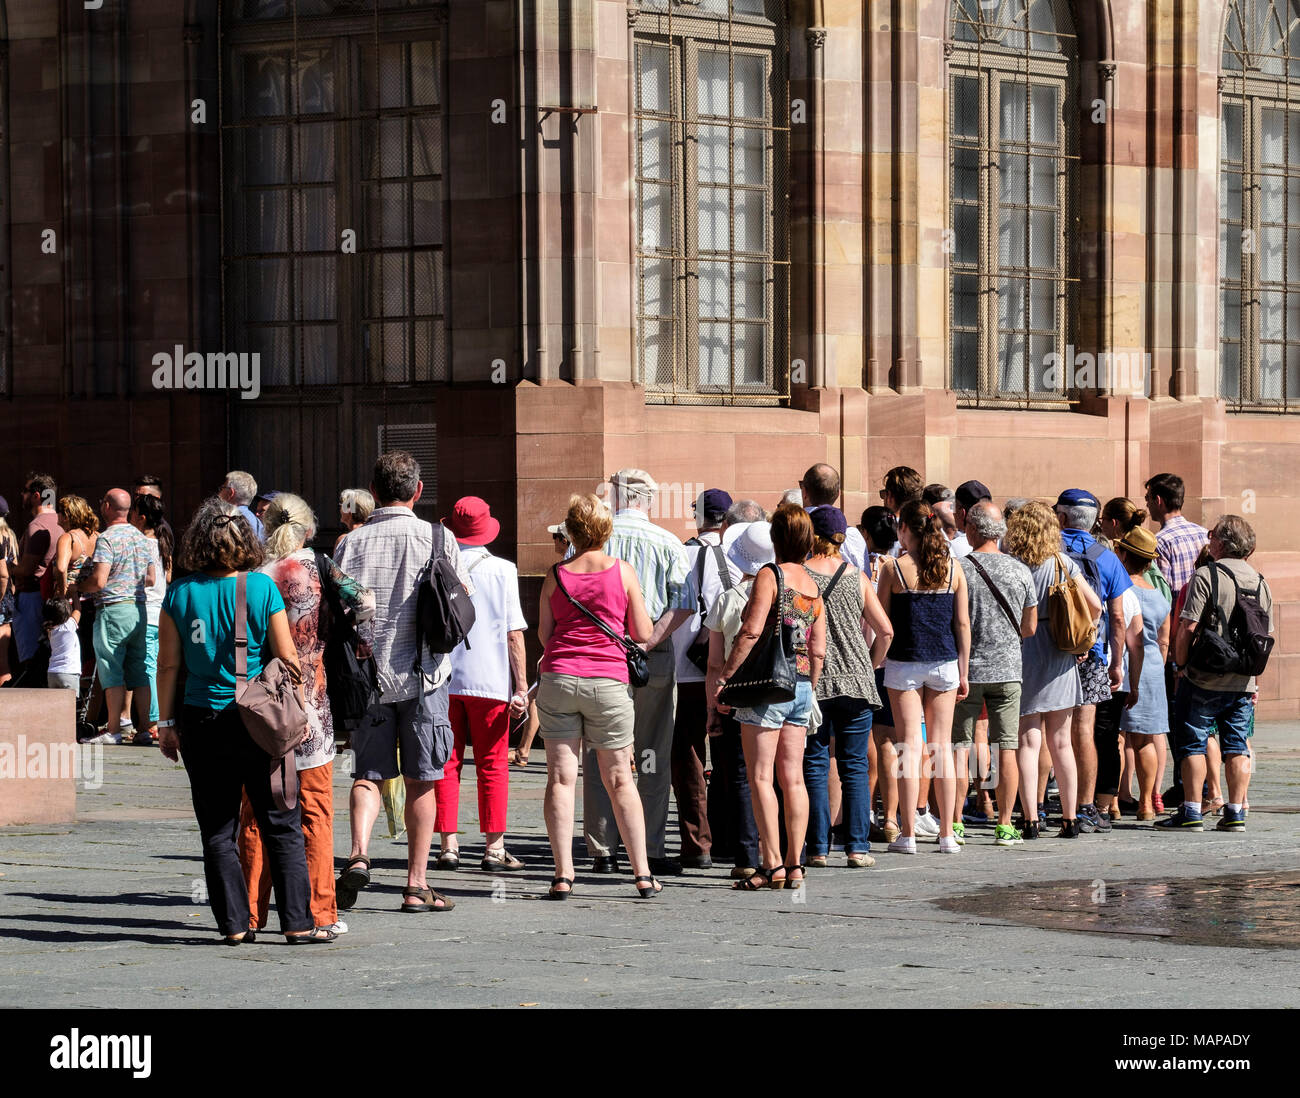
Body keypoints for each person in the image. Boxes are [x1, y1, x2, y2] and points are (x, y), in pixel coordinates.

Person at [156, 497, 332, 944]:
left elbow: (169, 666)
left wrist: (166, 722)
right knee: (281, 823)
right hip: (259, 720)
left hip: (200, 720)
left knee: (218, 829)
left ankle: (234, 926)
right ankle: (296, 922)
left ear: (199, 540)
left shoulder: (179, 592)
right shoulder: (260, 588)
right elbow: (287, 658)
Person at [332, 450, 473, 913]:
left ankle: (357, 854)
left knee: (367, 775)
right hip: (424, 677)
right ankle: (415, 884)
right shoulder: (439, 536)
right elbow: (460, 599)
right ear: (417, 491)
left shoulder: (349, 544)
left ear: (373, 493)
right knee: (423, 779)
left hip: (366, 678)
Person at [238, 493, 372, 937]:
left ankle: (250, 915)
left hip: (264, 706)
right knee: (314, 810)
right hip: (312, 704)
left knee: (257, 811)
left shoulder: (254, 576)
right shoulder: (319, 565)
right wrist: (347, 640)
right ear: (308, 527)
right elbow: (365, 603)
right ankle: (319, 914)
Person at [537, 493, 660, 899]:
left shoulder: (556, 574)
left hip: (558, 677)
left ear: (571, 531)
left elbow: (545, 634)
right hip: (607, 682)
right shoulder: (622, 572)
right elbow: (642, 633)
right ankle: (642, 874)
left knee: (560, 778)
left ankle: (563, 874)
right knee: (620, 778)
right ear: (605, 530)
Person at [583, 468, 693, 877]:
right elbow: (683, 603)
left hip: (601, 656)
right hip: (654, 656)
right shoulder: (668, 542)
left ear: (613, 496)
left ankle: (602, 848)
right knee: (650, 750)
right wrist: (647, 642)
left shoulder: (595, 541)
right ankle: (649, 847)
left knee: (600, 751)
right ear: (648, 500)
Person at [716, 503, 826, 889]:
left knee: (761, 777)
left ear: (776, 539)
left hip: (766, 688)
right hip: (798, 686)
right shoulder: (813, 583)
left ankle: (772, 864)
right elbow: (818, 649)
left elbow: (749, 631)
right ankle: (796, 865)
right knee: (793, 778)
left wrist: (726, 678)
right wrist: (809, 685)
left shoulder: (770, 574)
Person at [1161, 516, 1272, 833]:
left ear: (1221, 543)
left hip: (1203, 676)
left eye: (1212, 536)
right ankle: (1236, 812)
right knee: (1236, 745)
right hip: (1242, 679)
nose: (1208, 541)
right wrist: (1254, 681)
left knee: (1193, 743)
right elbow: (1265, 636)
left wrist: (1181, 665)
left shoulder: (1205, 575)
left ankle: (1192, 810)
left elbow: (1187, 626)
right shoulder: (1261, 582)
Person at [436, 496, 530, 872]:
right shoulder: (503, 570)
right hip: (490, 681)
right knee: (493, 764)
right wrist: (521, 686)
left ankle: (448, 845)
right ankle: (493, 848)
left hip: (444, 677)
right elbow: (513, 634)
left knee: (446, 761)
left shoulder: (438, 565)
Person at [1004, 501, 1103, 838]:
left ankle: (1030, 819)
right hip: (1060, 651)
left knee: (1027, 741)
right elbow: (1096, 606)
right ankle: (1070, 819)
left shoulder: (1012, 564)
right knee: (1062, 742)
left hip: (1023, 650)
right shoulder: (1063, 562)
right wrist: (1083, 643)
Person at [877, 500, 971, 854]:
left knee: (908, 747)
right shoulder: (952, 568)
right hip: (945, 661)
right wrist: (964, 670)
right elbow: (962, 624)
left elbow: (883, 624)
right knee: (941, 747)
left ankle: (909, 834)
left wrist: (876, 659)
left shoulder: (894, 569)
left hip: (903, 662)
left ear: (904, 529)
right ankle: (947, 833)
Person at [802, 507, 893, 867]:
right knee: (855, 764)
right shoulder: (857, 576)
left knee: (815, 762)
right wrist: (868, 666)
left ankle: (818, 847)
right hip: (856, 678)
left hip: (815, 677)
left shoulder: (804, 577)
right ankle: (857, 847)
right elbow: (885, 630)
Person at [952, 501, 1037, 846]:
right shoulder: (1020, 570)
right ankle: (1004, 824)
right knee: (1007, 749)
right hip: (1007, 670)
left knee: (959, 747)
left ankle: (954, 820)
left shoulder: (959, 568)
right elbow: (1029, 627)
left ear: (971, 530)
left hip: (967, 670)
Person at [670, 488, 741, 870]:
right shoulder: (739, 556)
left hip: (685, 669)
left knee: (687, 757)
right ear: (727, 518)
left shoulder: (682, 553)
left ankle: (697, 842)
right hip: (729, 670)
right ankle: (734, 836)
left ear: (698, 516)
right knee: (733, 757)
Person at [1054, 489, 1131, 835]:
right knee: (1084, 731)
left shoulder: (1047, 548)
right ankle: (1086, 807)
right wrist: (1116, 662)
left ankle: (1038, 807)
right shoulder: (1107, 555)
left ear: (1062, 517)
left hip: (1050, 651)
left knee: (1045, 730)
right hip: (1092, 653)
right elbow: (1117, 617)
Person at [703, 521, 771, 879]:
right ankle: (788, 852)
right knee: (782, 774)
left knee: (743, 777)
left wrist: (713, 707)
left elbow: (714, 662)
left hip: (736, 697)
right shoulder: (792, 596)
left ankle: (746, 855)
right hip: (780, 695)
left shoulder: (728, 600)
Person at [1144, 473, 1209, 808]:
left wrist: (1165, 647)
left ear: (1158, 500)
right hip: (1207, 639)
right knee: (1203, 715)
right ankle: (1206, 786)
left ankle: (1186, 786)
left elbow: (1165, 596)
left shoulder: (1162, 541)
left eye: (1148, 500)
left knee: (1179, 715)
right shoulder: (1202, 533)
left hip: (1178, 632)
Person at [78, 490, 155, 746]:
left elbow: (98, 581)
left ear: (108, 506)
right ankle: (144, 729)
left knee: (111, 669)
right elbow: (152, 578)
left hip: (113, 609)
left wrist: (77, 587)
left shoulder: (107, 538)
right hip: (139, 609)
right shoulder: (142, 538)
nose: (100, 505)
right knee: (140, 670)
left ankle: (113, 730)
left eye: (102, 501)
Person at [1114, 527, 1169, 821]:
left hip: (1124, 664)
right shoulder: (1159, 596)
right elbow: (1164, 640)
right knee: (1146, 739)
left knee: (1118, 738)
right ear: (1148, 562)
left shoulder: (1120, 590)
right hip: (1151, 670)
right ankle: (1147, 803)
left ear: (1123, 554)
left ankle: (1113, 801)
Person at [859, 505, 902, 843]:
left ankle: (866, 813)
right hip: (894, 663)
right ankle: (890, 817)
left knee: (870, 743)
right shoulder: (902, 568)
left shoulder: (863, 570)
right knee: (891, 742)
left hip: (869, 660)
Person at [10, 474, 66, 670]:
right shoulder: (61, 523)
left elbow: (26, 570)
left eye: (25, 491)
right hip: (52, 598)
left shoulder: (37, 526)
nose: (21, 495)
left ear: (36, 495)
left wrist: (7, 567)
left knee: (31, 659)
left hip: (31, 598)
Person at [130, 493, 172, 742]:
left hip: (146, 611)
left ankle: (154, 720)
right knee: (158, 666)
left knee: (147, 667)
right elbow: (166, 578)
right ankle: (160, 717)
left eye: (134, 513)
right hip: (162, 611)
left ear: (141, 517)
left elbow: (152, 578)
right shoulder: (162, 540)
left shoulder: (141, 543)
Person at [801, 464, 868, 570]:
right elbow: (864, 577)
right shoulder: (852, 535)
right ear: (837, 494)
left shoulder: (792, 528)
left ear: (804, 491)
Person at [52, 496, 99, 599]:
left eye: (59, 511)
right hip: (92, 600)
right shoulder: (98, 536)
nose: (57, 514)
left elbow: (61, 568)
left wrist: (62, 594)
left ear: (66, 517)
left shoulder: (68, 538)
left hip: (71, 600)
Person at [44, 596, 82, 694]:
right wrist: (75, 594)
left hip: (52, 673)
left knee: (56, 706)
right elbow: (78, 609)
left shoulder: (50, 630)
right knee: (69, 706)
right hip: (68, 672)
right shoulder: (68, 626)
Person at [0, 497, 19, 685]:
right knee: (3, 659)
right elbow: (13, 568)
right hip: (8, 599)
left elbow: (3, 574)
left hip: (1, 599)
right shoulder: (10, 535)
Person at [219, 471, 265, 542]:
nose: (219, 493)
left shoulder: (225, 522)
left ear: (230, 493)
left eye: (222, 488)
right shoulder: (258, 524)